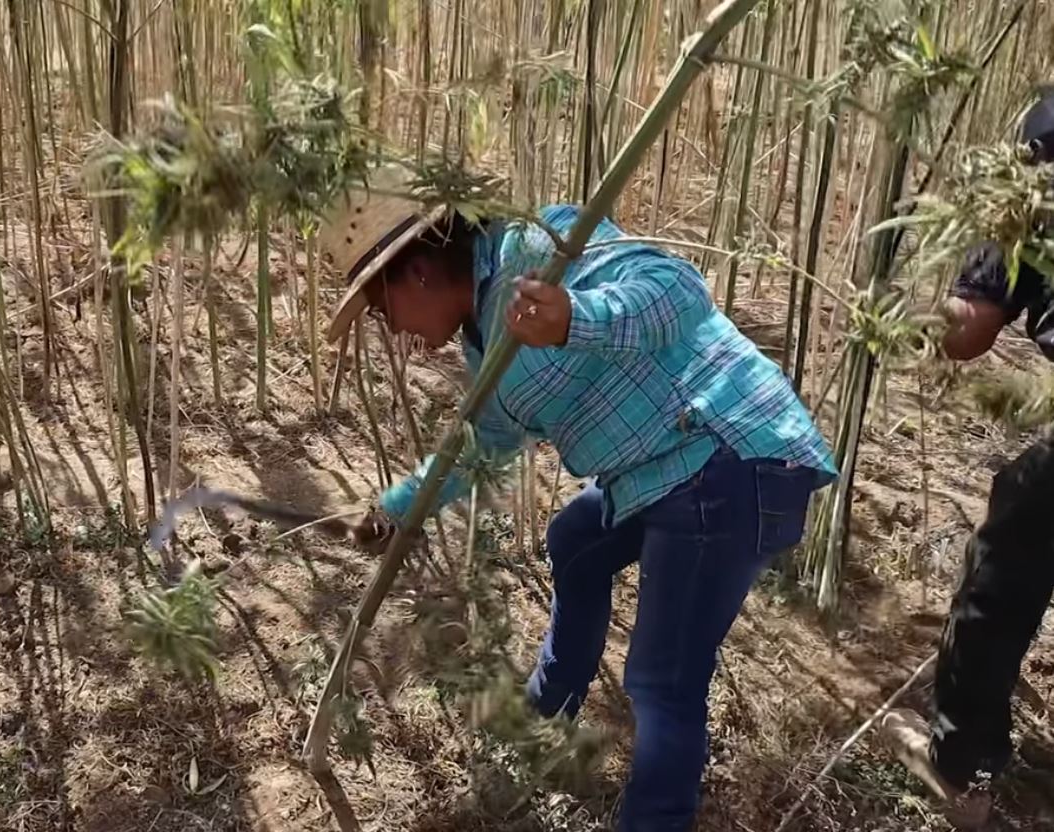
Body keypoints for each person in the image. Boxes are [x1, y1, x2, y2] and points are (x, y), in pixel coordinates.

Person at [319, 165, 837, 832]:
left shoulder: (539, 248)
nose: (390, 329)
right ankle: (548, 709)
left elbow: (676, 292)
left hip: (727, 453)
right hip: (660, 474)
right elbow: (484, 443)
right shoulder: (485, 340)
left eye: (380, 306)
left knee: (661, 680)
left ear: (415, 272)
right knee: (575, 539)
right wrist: (394, 509)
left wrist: (577, 317)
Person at [880, 90, 1054, 831]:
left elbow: (969, 328)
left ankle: (961, 770)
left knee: (1001, 579)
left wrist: (901, 319)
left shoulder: (1043, 139)